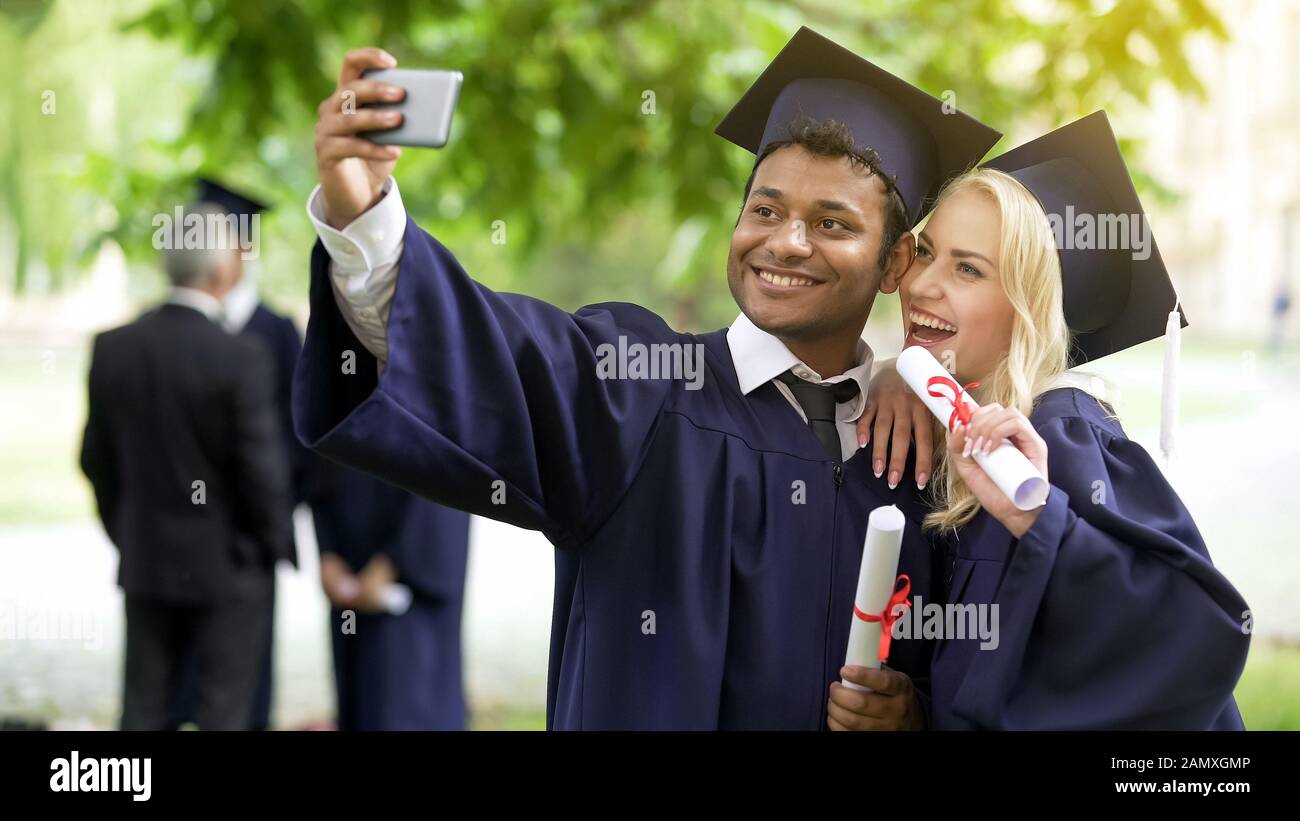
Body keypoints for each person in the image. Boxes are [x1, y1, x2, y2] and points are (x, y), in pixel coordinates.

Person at [294, 28, 1000, 729]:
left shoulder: (924, 465)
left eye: (832, 223)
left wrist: (913, 713)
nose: (785, 241)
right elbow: (497, 351)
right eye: (765, 209)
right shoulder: (643, 391)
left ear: (895, 262)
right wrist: (367, 220)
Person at [842, 112, 1249, 730]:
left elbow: (1186, 642)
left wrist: (1040, 517)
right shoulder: (957, 427)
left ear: (1028, 309)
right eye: (925, 252)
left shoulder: (1062, 436)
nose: (920, 284)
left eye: (968, 269)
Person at [80, 202, 292, 730]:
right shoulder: (241, 357)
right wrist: (271, 546)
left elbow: (94, 461)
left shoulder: (114, 349)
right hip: (231, 568)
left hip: (148, 558)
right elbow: (261, 473)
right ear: (222, 271)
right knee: (224, 712)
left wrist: (127, 530)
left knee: (144, 709)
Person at [165, 178, 310, 731]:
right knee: (176, 692)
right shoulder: (169, 332)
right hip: (178, 547)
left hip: (246, 549)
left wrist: (269, 526)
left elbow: (299, 443)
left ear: (241, 249)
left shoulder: (275, 333)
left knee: (243, 697)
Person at [313, 460, 472, 730]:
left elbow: (446, 460)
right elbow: (319, 461)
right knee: (358, 705)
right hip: (349, 571)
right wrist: (327, 551)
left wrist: (392, 562)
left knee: (407, 705)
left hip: (413, 585)